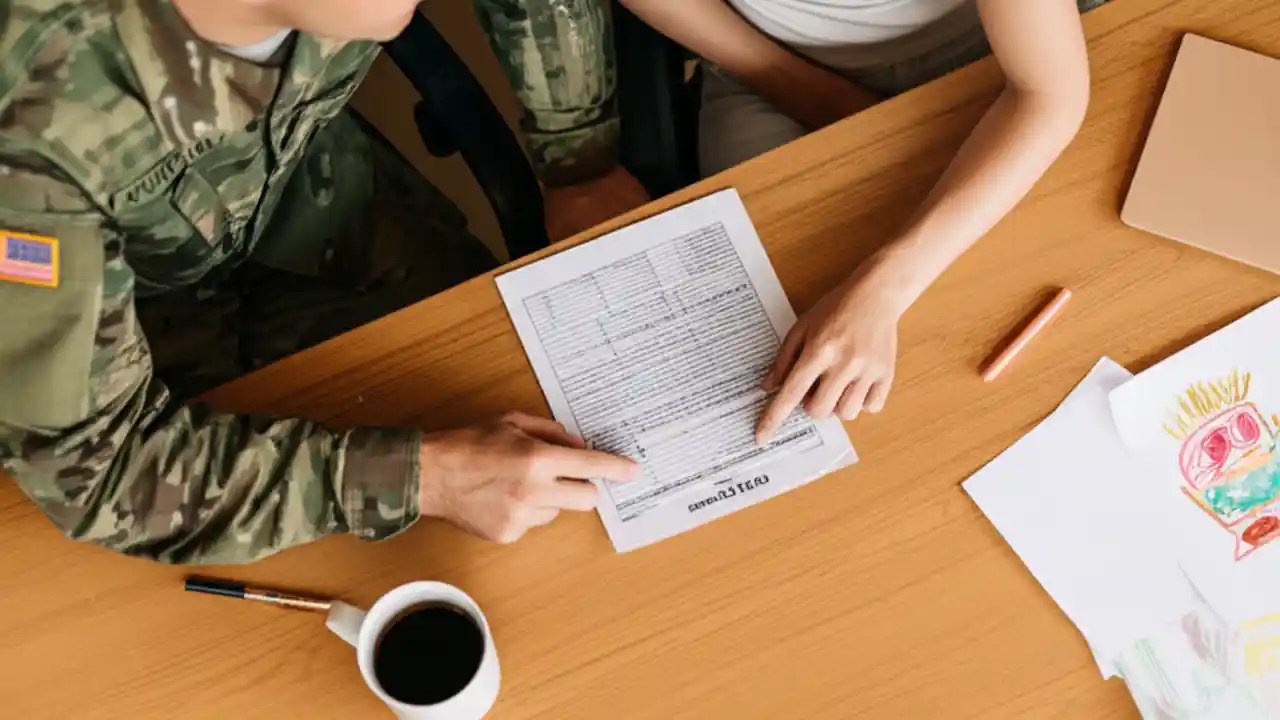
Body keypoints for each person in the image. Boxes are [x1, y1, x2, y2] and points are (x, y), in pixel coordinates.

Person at [0, 0, 644, 565]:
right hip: (121, 330)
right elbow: (94, 472)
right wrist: (422, 480)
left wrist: (576, 156)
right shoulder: (31, 130)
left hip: (318, 188)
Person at [618, 0, 1106, 439]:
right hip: (763, 58)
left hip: (993, 47)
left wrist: (882, 288)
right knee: (771, 336)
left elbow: (1046, 95)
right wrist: (811, 93)